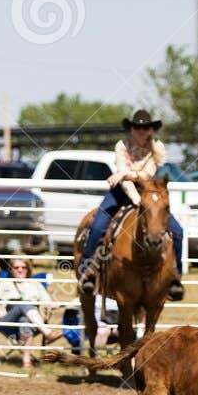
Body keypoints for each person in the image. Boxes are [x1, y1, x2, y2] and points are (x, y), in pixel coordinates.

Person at [78, 110, 185, 300]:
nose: (141, 131)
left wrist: (124, 174)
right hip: (123, 190)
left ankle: (175, 276)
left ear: (151, 129)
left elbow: (146, 175)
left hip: (148, 192)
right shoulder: (122, 146)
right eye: (137, 127)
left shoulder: (157, 148)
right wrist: (136, 200)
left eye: (145, 127)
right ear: (132, 129)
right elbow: (125, 181)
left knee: (177, 231)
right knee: (97, 226)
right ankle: (87, 271)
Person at [0, 255, 64, 371]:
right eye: (16, 267)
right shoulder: (5, 284)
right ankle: (48, 333)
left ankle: (26, 362)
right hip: (8, 322)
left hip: (31, 322)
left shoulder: (36, 285)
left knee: (25, 321)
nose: (20, 270)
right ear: (11, 269)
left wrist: (53, 305)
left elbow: (48, 302)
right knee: (23, 304)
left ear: (28, 269)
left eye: (24, 267)